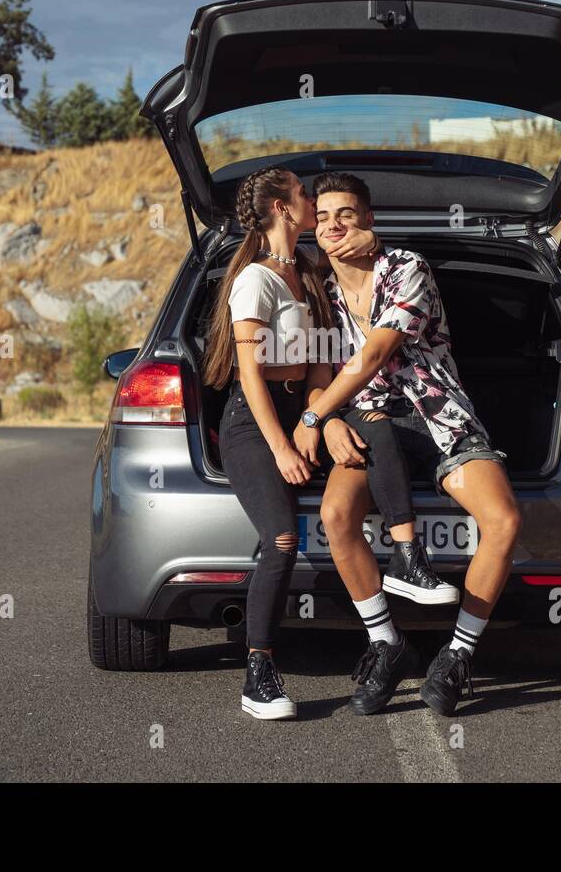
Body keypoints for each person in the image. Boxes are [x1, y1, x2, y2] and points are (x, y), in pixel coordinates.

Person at [293, 171, 522, 717]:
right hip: (371, 422)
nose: (333, 225)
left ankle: (458, 654)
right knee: (335, 513)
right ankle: (386, 644)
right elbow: (320, 373)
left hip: (439, 419)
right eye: (322, 217)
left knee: (505, 520)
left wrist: (310, 416)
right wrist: (325, 422)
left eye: (345, 214)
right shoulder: (319, 292)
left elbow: (372, 357)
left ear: (368, 220)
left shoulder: (406, 268)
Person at [201, 164, 414, 720]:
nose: (312, 200)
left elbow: (323, 360)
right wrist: (280, 447)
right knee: (281, 542)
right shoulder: (254, 279)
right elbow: (250, 374)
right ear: (280, 207)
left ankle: (390, 619)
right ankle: (259, 671)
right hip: (256, 422)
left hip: (304, 414)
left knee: (357, 477)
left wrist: (322, 418)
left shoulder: (309, 270)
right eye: (303, 194)